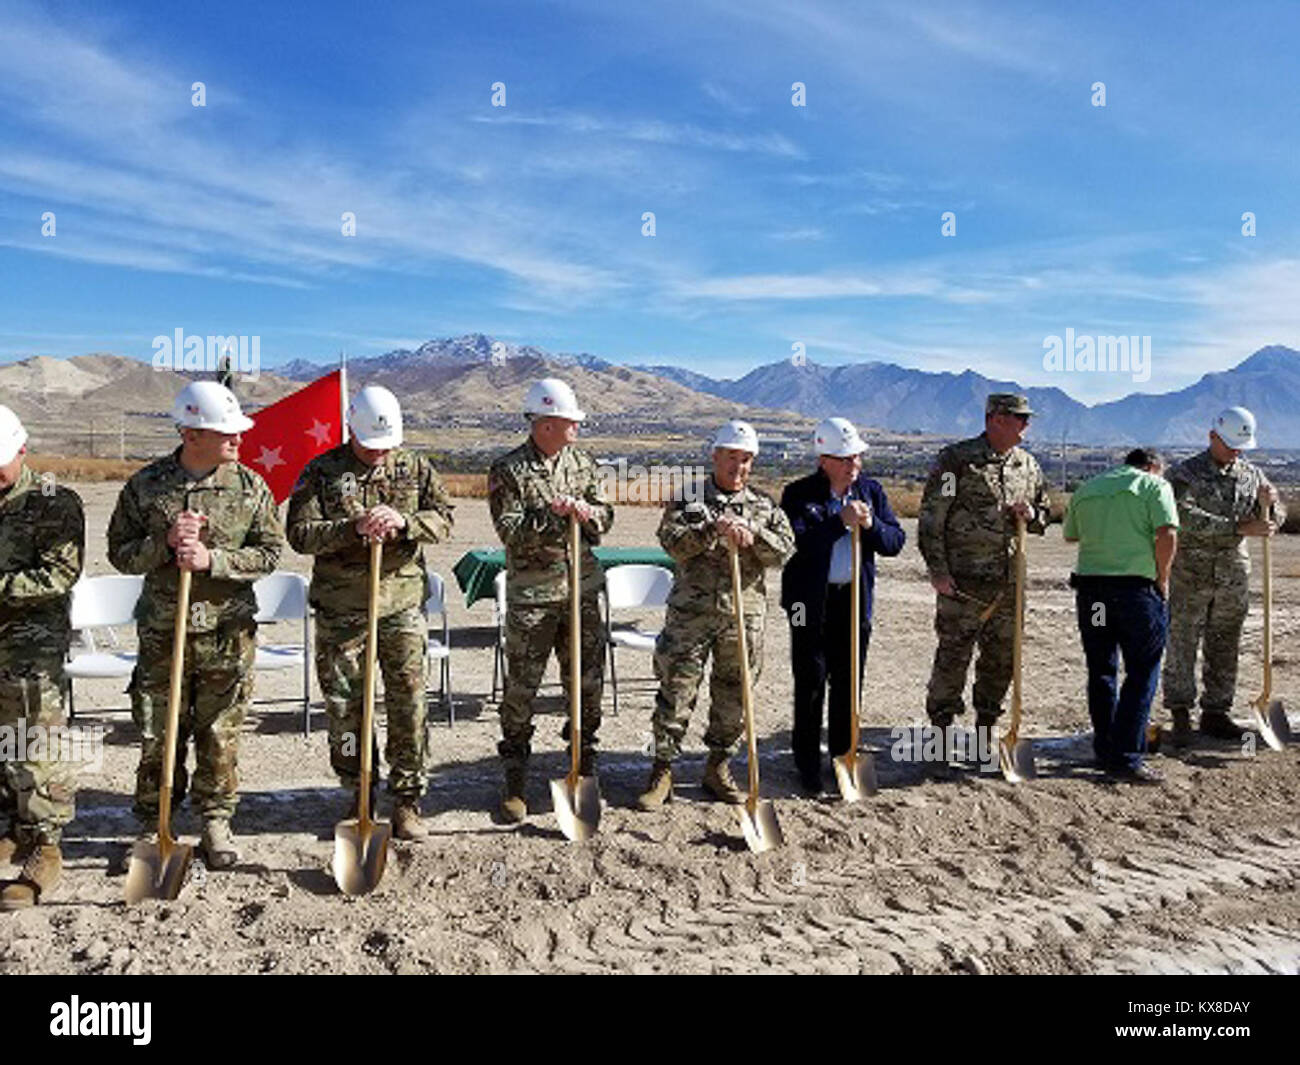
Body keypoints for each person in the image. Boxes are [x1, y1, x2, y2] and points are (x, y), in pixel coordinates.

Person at [107, 381, 283, 868]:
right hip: (165, 633)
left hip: (227, 634)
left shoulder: (250, 487)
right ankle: (154, 822)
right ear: (191, 434)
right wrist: (162, 544)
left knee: (220, 733)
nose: (239, 439)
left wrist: (213, 560)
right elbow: (120, 553)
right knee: (158, 732)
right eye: (227, 432)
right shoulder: (146, 486)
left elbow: (270, 554)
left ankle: (214, 821)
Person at [287, 385, 454, 839]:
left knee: (409, 704)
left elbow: (444, 519)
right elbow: (299, 534)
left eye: (387, 445)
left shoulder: (415, 467)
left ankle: (407, 799)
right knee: (345, 709)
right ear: (351, 430)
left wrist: (406, 523)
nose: (380, 453)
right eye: (371, 445)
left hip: (401, 606)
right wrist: (352, 528)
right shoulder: (322, 471)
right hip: (342, 611)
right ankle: (357, 791)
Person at [636, 420, 795, 809]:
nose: (738, 467)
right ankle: (662, 771)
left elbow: (785, 551)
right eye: (731, 458)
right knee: (676, 692)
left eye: (746, 460)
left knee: (734, 696)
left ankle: (718, 767)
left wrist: (753, 535)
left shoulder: (763, 505)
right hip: (690, 616)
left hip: (742, 616)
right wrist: (711, 528)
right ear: (715, 457)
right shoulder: (689, 498)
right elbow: (672, 543)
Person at [488, 378, 613, 823]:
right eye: (569, 421)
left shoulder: (584, 463)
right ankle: (515, 776)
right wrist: (550, 515)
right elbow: (508, 530)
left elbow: (606, 518)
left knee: (587, 683)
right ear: (545, 424)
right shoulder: (508, 470)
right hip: (533, 597)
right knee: (522, 688)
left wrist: (588, 513)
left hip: (582, 590)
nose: (576, 427)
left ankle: (584, 762)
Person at [917, 394, 1051, 763]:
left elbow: (1044, 512)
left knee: (1001, 661)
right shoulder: (957, 461)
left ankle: (984, 733)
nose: (1026, 426)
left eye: (1026, 419)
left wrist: (1032, 514)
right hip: (963, 584)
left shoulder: (1027, 465)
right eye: (1019, 419)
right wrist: (938, 571)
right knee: (953, 658)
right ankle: (940, 736)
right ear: (996, 419)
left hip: (1009, 584)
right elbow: (932, 518)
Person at [779, 417, 905, 795]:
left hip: (853, 601)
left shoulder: (871, 491)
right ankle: (807, 765)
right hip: (808, 604)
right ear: (825, 460)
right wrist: (839, 522)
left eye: (857, 457)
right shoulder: (798, 494)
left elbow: (895, 542)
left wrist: (871, 526)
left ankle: (843, 757)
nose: (855, 465)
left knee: (849, 685)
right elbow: (797, 545)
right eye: (846, 459)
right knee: (810, 682)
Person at [0, 406, 85, 909]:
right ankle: (14, 830)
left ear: (22, 450)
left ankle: (46, 847)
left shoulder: (54, 501)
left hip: (32, 642)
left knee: (36, 739)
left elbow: (59, 573)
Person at [1162, 407, 1287, 745]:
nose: (1236, 452)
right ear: (1212, 436)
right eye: (1230, 445)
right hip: (1190, 573)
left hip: (1233, 574)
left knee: (1225, 642)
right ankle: (1180, 712)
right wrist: (1238, 527)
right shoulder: (1183, 474)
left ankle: (1216, 712)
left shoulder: (1252, 475)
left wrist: (1271, 507)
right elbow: (1181, 516)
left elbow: (1274, 517)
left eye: (1240, 447)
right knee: (1182, 641)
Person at [1063, 449, 1178, 782]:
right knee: (1142, 671)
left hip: (1093, 596)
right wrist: (1163, 578)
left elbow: (1071, 535)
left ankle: (1105, 745)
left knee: (1101, 668)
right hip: (1134, 594)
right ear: (1153, 467)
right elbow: (1167, 533)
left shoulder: (1088, 488)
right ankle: (1126, 756)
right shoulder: (1155, 486)